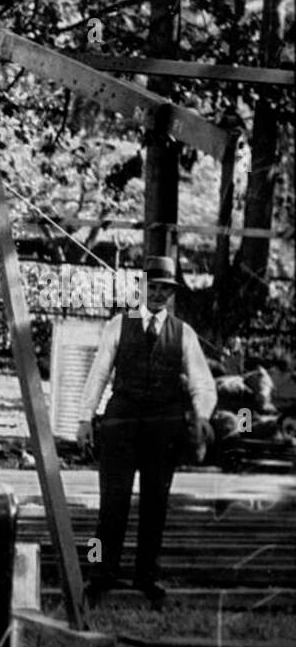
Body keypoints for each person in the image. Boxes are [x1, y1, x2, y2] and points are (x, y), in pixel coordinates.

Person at [76, 255, 217, 608]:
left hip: (163, 426)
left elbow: (203, 382)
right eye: (152, 287)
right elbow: (97, 376)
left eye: (164, 289)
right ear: (141, 288)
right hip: (120, 422)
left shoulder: (183, 333)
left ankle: (147, 576)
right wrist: (83, 419)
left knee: (156, 502)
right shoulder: (116, 326)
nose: (157, 294)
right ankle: (100, 574)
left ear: (171, 294)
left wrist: (201, 417)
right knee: (112, 501)